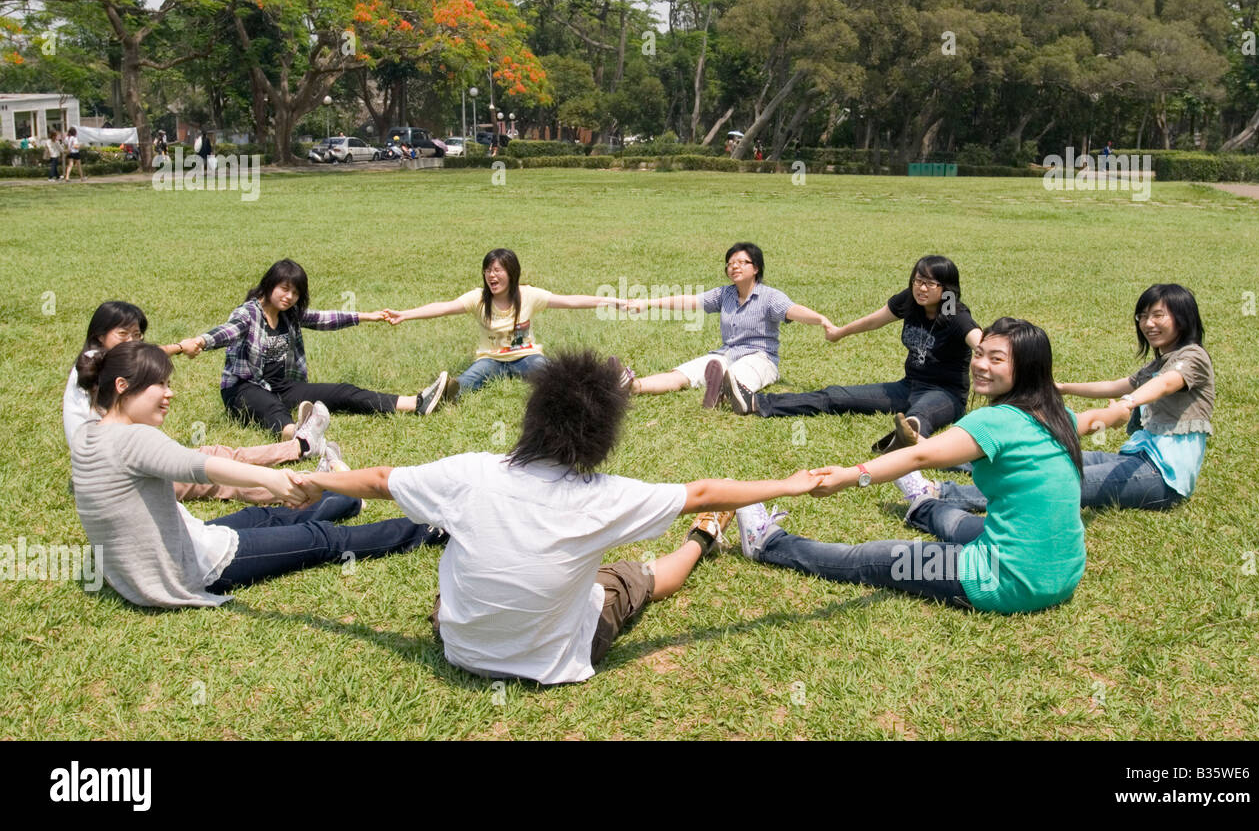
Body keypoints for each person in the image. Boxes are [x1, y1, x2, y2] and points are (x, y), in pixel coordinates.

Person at [296, 350, 825, 683]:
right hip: (556, 658)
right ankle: (703, 540)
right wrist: (792, 483)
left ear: (534, 414)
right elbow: (706, 489)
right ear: (601, 436)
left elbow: (380, 479)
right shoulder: (604, 495)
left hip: (459, 646)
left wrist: (314, 480)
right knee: (631, 577)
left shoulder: (473, 472)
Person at [733, 318, 1131, 614]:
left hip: (1005, 581)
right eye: (979, 353)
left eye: (997, 359)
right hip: (1060, 576)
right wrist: (1120, 410)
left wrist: (850, 476)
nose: (981, 365)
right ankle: (924, 504)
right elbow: (1093, 419)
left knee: (879, 559)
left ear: (1026, 369)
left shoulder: (994, 421)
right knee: (960, 525)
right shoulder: (1055, 415)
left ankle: (769, 544)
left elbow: (921, 456)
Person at [68, 342, 445, 609]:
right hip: (191, 567)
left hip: (174, 545)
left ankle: (344, 498)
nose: (170, 394)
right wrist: (272, 480)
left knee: (263, 516)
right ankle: (431, 528)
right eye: (161, 385)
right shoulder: (132, 439)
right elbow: (196, 466)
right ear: (122, 387)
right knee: (322, 540)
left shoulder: (90, 433)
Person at [932, 284, 1213, 512]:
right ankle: (938, 455)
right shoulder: (1159, 362)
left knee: (1051, 481)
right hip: (1138, 456)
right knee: (1048, 455)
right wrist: (1064, 387)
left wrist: (1129, 402)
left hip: (1163, 478)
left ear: (1183, 317)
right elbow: (1116, 385)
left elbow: (1165, 385)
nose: (1147, 323)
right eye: (1143, 316)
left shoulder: (1193, 357)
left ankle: (941, 493)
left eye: (1158, 315)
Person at [64, 301, 329, 505]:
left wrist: (181, 346)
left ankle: (301, 446)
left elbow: (148, 355)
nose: (132, 343)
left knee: (218, 455)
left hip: (124, 462)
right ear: (100, 336)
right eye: (123, 335)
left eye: (137, 336)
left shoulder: (105, 361)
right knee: (218, 480)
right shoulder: (95, 367)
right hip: (112, 475)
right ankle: (310, 491)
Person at [177, 259, 447, 440]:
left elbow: (324, 319)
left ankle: (415, 403)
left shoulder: (289, 313)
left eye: (295, 293)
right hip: (243, 389)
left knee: (342, 391)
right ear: (269, 285)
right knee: (272, 407)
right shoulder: (248, 314)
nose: (289, 297)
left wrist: (368, 316)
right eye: (284, 289)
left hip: (282, 385)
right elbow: (228, 331)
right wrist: (201, 341)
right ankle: (298, 440)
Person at [733, 255, 980, 450]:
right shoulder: (910, 301)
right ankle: (755, 402)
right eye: (917, 280)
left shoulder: (954, 315)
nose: (921, 288)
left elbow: (980, 343)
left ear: (946, 288)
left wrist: (988, 365)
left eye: (929, 283)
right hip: (909, 386)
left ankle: (906, 438)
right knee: (835, 396)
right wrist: (840, 332)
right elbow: (874, 321)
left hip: (945, 395)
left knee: (919, 415)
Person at [382, 248, 624, 408]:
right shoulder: (478, 298)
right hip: (491, 359)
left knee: (554, 377)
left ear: (512, 273)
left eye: (497, 270)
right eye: (488, 270)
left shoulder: (528, 295)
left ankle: (605, 383)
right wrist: (405, 314)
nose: (491, 275)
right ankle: (435, 397)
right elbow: (444, 307)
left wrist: (610, 301)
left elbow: (570, 301)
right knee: (467, 381)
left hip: (526, 357)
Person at [624, 242, 835, 410]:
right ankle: (633, 385)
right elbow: (688, 301)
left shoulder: (770, 297)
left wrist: (821, 320)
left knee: (736, 376)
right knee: (683, 374)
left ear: (756, 268)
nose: (735, 266)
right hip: (725, 354)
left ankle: (721, 394)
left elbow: (793, 310)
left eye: (742, 262)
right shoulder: (725, 294)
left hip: (760, 358)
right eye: (731, 263)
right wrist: (648, 303)